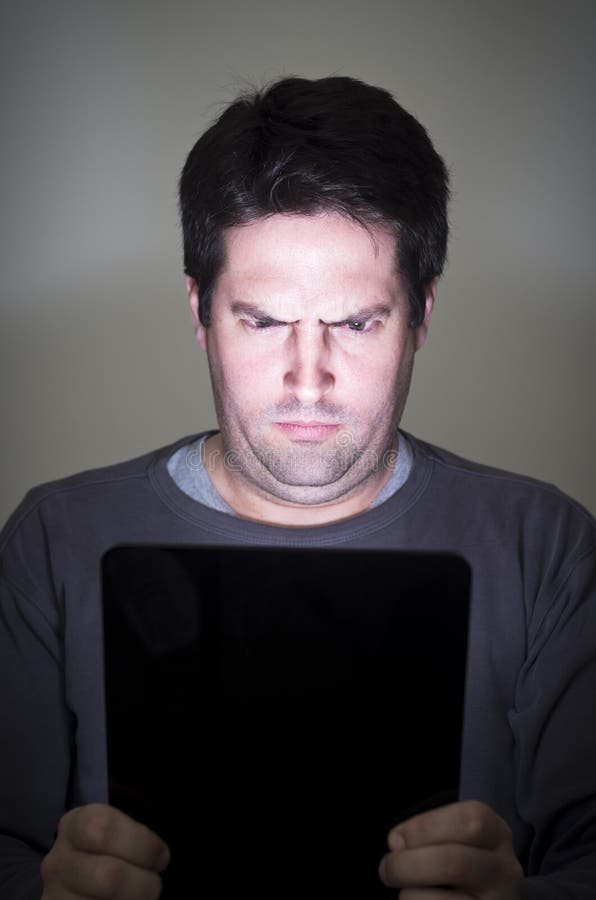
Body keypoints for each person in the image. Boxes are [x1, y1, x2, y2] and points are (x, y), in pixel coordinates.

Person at [1, 75, 595, 900]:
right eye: (264, 321)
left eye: (355, 324)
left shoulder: (546, 548)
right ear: (200, 313)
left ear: (421, 316)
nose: (307, 380)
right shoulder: (52, 539)